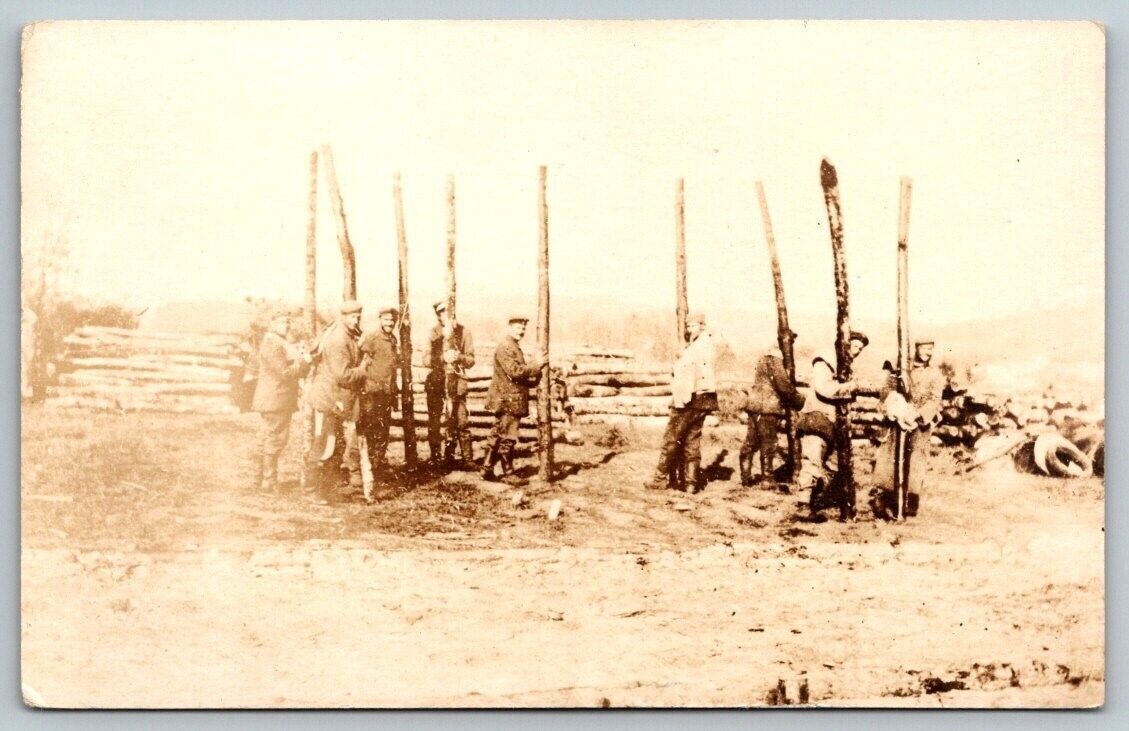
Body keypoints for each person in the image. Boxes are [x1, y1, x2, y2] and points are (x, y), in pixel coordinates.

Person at [796, 330, 869, 520]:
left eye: (860, 349)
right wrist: (850, 387)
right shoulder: (825, 360)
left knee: (833, 464)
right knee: (812, 459)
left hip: (832, 422)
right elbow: (824, 388)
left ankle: (818, 499)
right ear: (844, 343)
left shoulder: (844, 365)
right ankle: (803, 503)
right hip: (817, 416)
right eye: (855, 346)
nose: (857, 352)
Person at [645, 312, 718, 494]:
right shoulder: (707, 345)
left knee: (672, 438)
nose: (689, 329)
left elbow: (686, 374)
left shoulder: (696, 348)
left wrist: (681, 399)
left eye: (692, 326)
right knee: (693, 440)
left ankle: (659, 479)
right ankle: (691, 484)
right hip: (704, 399)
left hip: (689, 399)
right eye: (688, 326)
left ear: (701, 326)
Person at [874, 338, 947, 517]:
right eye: (924, 348)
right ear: (916, 348)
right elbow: (886, 390)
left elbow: (934, 399)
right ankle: (884, 496)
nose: (928, 352)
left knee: (916, 457)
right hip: (898, 418)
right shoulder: (900, 369)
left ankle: (911, 499)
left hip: (919, 422)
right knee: (890, 455)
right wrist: (896, 405)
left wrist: (916, 414)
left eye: (931, 349)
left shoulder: (935, 374)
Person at [307, 300, 369, 494]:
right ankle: (313, 488)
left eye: (358, 316)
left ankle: (325, 487)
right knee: (324, 442)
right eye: (352, 317)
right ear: (343, 317)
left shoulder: (348, 334)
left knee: (333, 442)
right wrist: (363, 369)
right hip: (329, 397)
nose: (356, 320)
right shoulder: (338, 340)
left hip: (336, 397)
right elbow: (343, 375)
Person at [250, 309, 311, 491]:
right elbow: (284, 373)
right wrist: (304, 361)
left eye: (287, 322)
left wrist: (300, 361)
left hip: (276, 398)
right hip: (275, 398)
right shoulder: (272, 343)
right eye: (282, 322)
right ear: (272, 323)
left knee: (268, 437)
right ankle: (268, 481)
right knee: (276, 439)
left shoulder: (279, 342)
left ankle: (260, 479)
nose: (286, 325)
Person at [481, 316, 547, 484]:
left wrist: (535, 372)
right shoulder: (506, 347)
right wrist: (536, 365)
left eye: (523, 328)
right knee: (508, 437)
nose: (521, 331)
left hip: (508, 398)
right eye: (518, 327)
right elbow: (515, 372)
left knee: (497, 434)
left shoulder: (513, 346)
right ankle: (508, 473)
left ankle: (486, 469)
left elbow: (518, 375)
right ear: (509, 328)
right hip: (508, 400)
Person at [740, 336, 806, 487]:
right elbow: (783, 386)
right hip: (767, 407)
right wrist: (799, 400)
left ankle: (745, 477)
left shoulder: (763, 359)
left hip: (755, 405)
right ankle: (767, 479)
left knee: (751, 441)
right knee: (768, 442)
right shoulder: (775, 360)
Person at [425, 300, 477, 470]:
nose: (446, 315)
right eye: (442, 312)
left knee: (461, 421)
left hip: (457, 384)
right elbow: (425, 359)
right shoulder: (433, 333)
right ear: (438, 315)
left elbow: (471, 360)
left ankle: (466, 459)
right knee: (435, 422)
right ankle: (435, 458)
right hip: (437, 384)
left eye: (449, 312)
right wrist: (441, 359)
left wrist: (458, 357)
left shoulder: (464, 332)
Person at [358, 307, 400, 485]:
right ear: (380, 320)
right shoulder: (372, 338)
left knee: (383, 431)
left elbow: (391, 368)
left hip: (386, 393)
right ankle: (367, 468)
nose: (389, 323)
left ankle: (378, 465)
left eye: (392, 320)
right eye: (386, 320)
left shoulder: (393, 339)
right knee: (370, 429)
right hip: (372, 392)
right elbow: (363, 362)